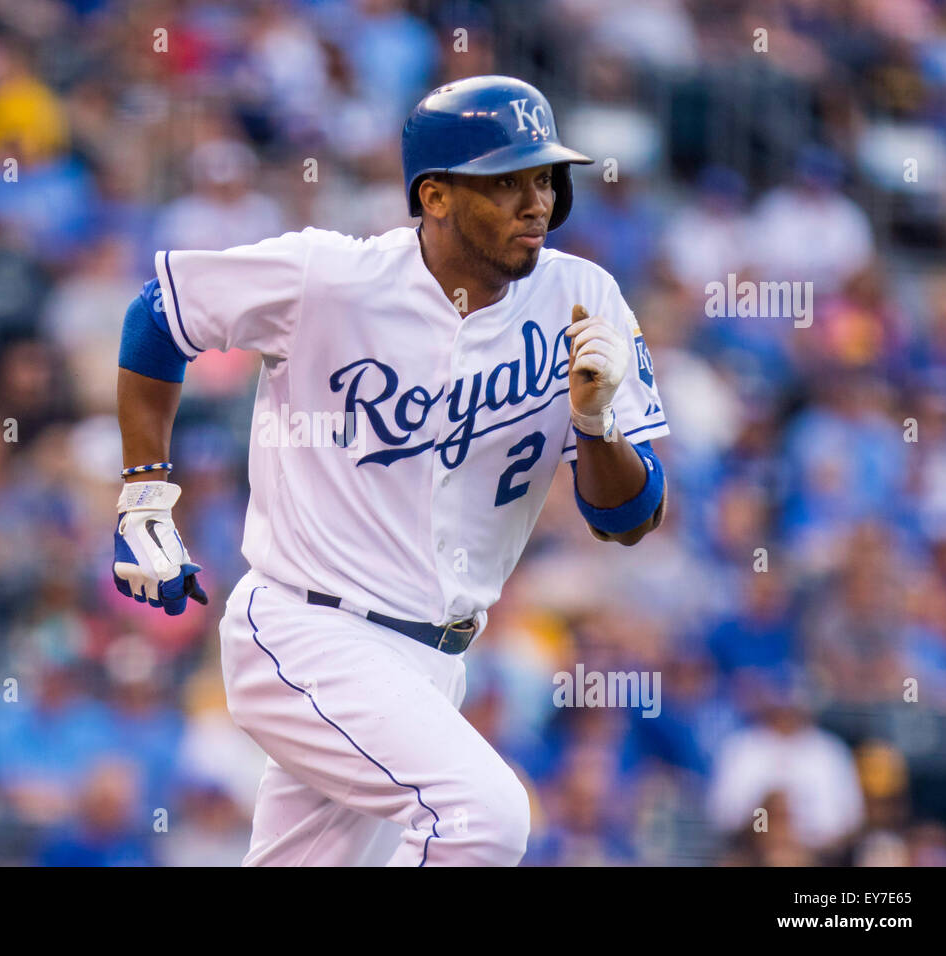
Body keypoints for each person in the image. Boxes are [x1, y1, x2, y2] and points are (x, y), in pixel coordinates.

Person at [112, 76, 671, 866]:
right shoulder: (330, 277)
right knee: (483, 819)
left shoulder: (585, 299)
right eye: (506, 181)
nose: (535, 201)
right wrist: (145, 499)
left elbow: (628, 519)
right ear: (435, 196)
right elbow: (159, 316)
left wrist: (595, 422)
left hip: (434, 662)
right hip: (306, 628)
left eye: (544, 177)